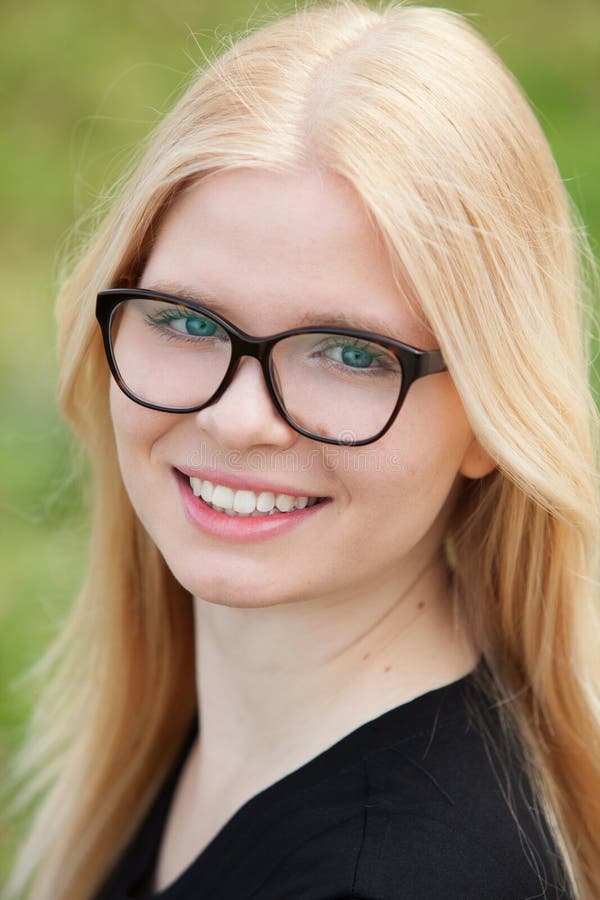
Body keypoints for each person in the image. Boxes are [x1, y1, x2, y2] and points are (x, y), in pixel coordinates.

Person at [6, 1, 600, 898]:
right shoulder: (206, 740)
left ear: (489, 416)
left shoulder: (400, 876)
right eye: (185, 319)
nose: (241, 419)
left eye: (352, 353)